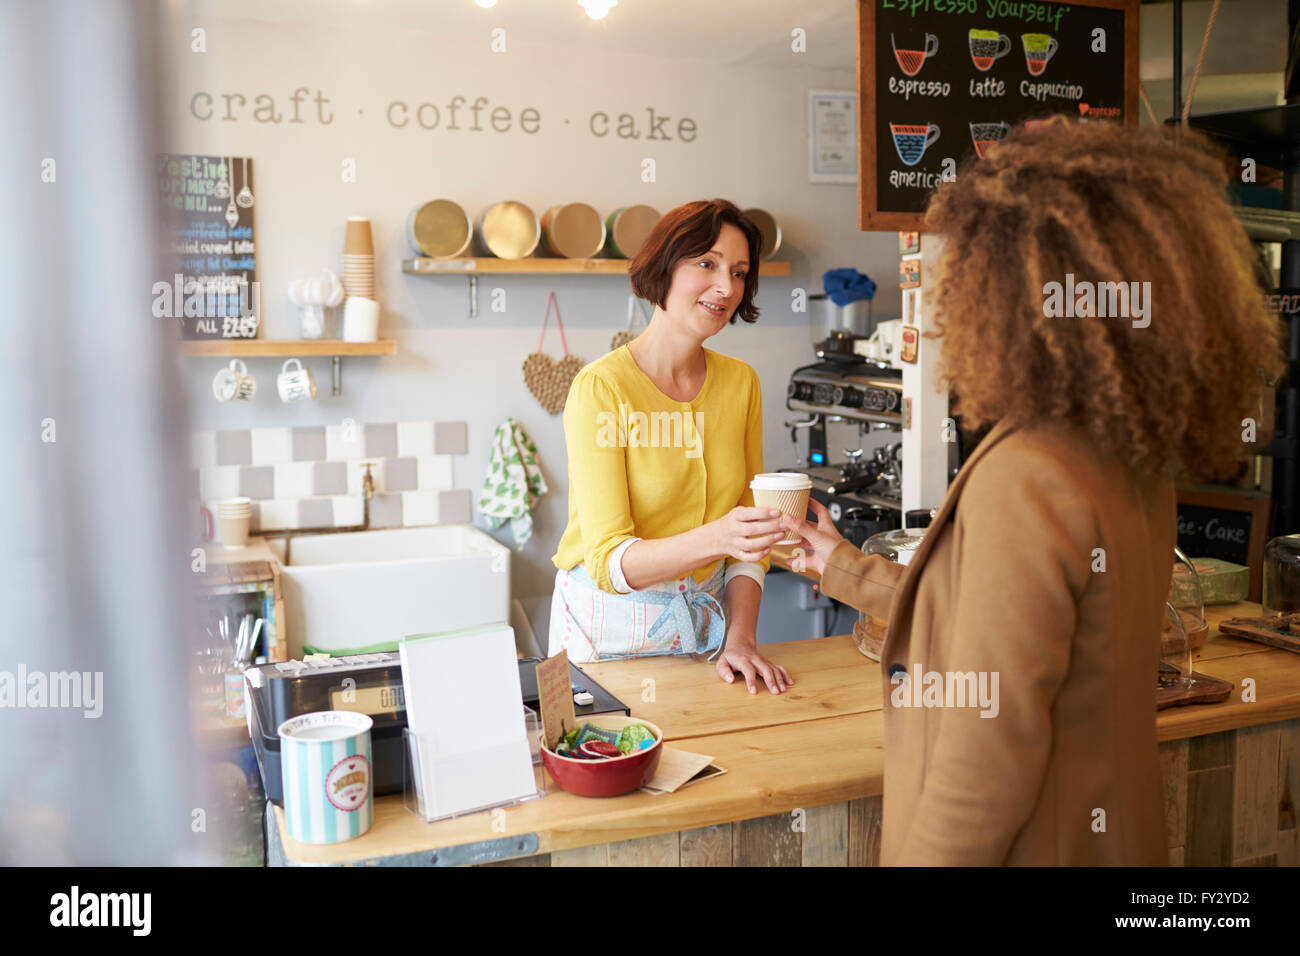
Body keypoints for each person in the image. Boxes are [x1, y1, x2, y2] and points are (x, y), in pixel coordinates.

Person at [780, 117, 1284, 865]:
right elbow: (1002, 622)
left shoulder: (1027, 471)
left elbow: (983, 766)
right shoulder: (1127, 455)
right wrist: (841, 566)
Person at [549, 199, 794, 695]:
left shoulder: (741, 383)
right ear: (664, 266)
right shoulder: (602, 388)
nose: (727, 287)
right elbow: (610, 562)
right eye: (706, 263)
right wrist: (719, 537)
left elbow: (749, 544)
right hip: (604, 636)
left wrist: (741, 639)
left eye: (739, 272)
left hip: (707, 636)